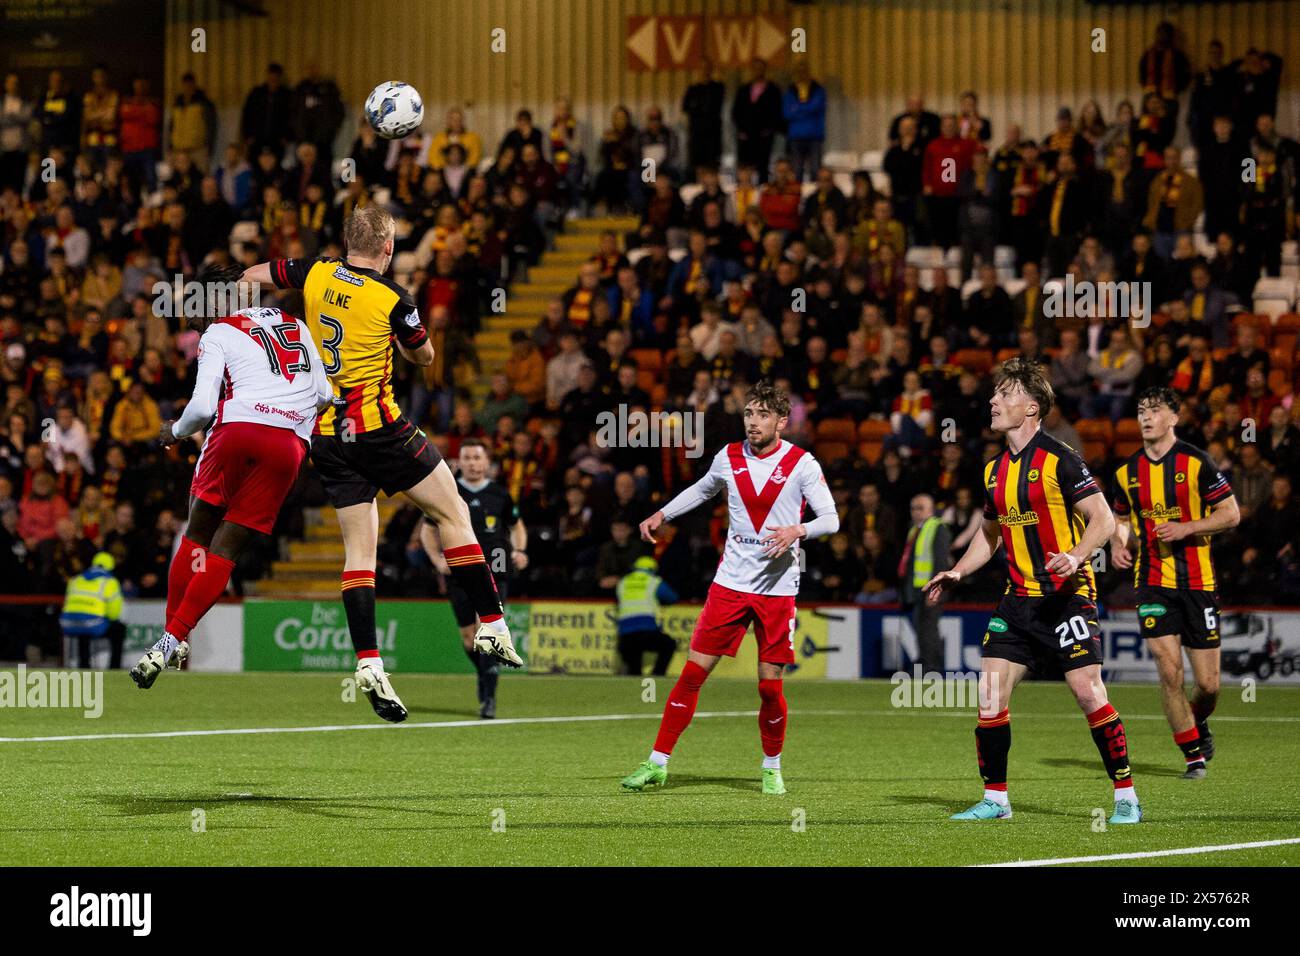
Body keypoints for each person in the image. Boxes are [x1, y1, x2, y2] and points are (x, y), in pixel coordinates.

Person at [242, 205, 521, 722]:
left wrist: (253, 314)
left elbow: (255, 274)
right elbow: (426, 358)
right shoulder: (394, 297)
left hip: (326, 435)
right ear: (388, 250)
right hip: (378, 429)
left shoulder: (317, 270)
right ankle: (491, 621)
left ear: (347, 240)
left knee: (358, 554)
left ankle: (369, 660)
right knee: (453, 511)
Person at [924, 359, 1140, 824]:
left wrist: (1078, 554)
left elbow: (1104, 518)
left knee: (1087, 691)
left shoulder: (1061, 459)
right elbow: (990, 534)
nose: (993, 401)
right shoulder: (993, 471)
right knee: (989, 695)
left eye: (1005, 394)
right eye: (995, 393)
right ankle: (996, 800)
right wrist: (958, 571)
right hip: (1017, 599)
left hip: (1066, 597)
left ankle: (1126, 795)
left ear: (1032, 409)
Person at [620, 381, 840, 795]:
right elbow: (702, 490)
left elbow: (831, 519)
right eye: (748, 414)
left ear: (781, 420)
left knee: (768, 685)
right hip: (730, 586)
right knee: (691, 674)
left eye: (761, 415)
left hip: (777, 590)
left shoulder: (803, 464)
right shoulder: (729, 456)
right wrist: (661, 513)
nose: (753, 423)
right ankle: (657, 763)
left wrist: (799, 529)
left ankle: (771, 766)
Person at [129, 266, 333, 688]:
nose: (197, 323)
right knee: (228, 547)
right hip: (289, 445)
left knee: (197, 531)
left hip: (238, 429)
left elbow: (202, 408)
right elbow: (325, 394)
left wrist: (174, 432)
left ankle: (170, 637)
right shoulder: (295, 323)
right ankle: (173, 639)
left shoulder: (218, 334)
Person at [1109, 387, 1240, 778]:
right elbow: (1119, 518)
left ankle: (1199, 723)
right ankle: (1192, 757)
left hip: (1198, 584)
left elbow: (1231, 514)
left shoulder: (1196, 463)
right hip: (1151, 583)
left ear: (1174, 418)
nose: (1146, 417)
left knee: (1210, 685)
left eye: (1154, 410)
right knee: (1169, 671)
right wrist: (1119, 542)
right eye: (1140, 411)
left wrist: (1187, 528)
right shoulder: (1125, 473)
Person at [419, 438, 527, 720]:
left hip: (496, 571)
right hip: (460, 571)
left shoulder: (500, 494)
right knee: (470, 640)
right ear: (459, 462)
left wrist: (519, 550)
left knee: (486, 631)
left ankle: (488, 699)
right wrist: (436, 559)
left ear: (486, 463)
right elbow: (427, 531)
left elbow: (517, 527)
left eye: (477, 458)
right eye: (467, 458)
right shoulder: (448, 493)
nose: (472, 463)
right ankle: (486, 674)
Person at [898, 494, 952, 675]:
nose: (916, 512)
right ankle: (923, 662)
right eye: (913, 508)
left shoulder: (937, 528)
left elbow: (940, 562)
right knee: (921, 628)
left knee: (929, 628)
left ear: (931, 509)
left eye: (921, 507)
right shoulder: (915, 529)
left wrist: (936, 589)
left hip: (931, 588)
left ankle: (931, 666)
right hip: (918, 588)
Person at [614, 555, 678, 676]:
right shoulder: (653, 581)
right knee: (669, 645)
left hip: (625, 636)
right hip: (647, 632)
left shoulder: (623, 582)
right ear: (652, 569)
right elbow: (672, 598)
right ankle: (657, 675)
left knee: (634, 673)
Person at [60, 551, 123, 669]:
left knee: (82, 630)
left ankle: (84, 665)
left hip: (68, 623)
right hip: (92, 624)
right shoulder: (110, 582)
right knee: (118, 629)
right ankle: (114, 667)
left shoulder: (76, 579)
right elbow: (114, 613)